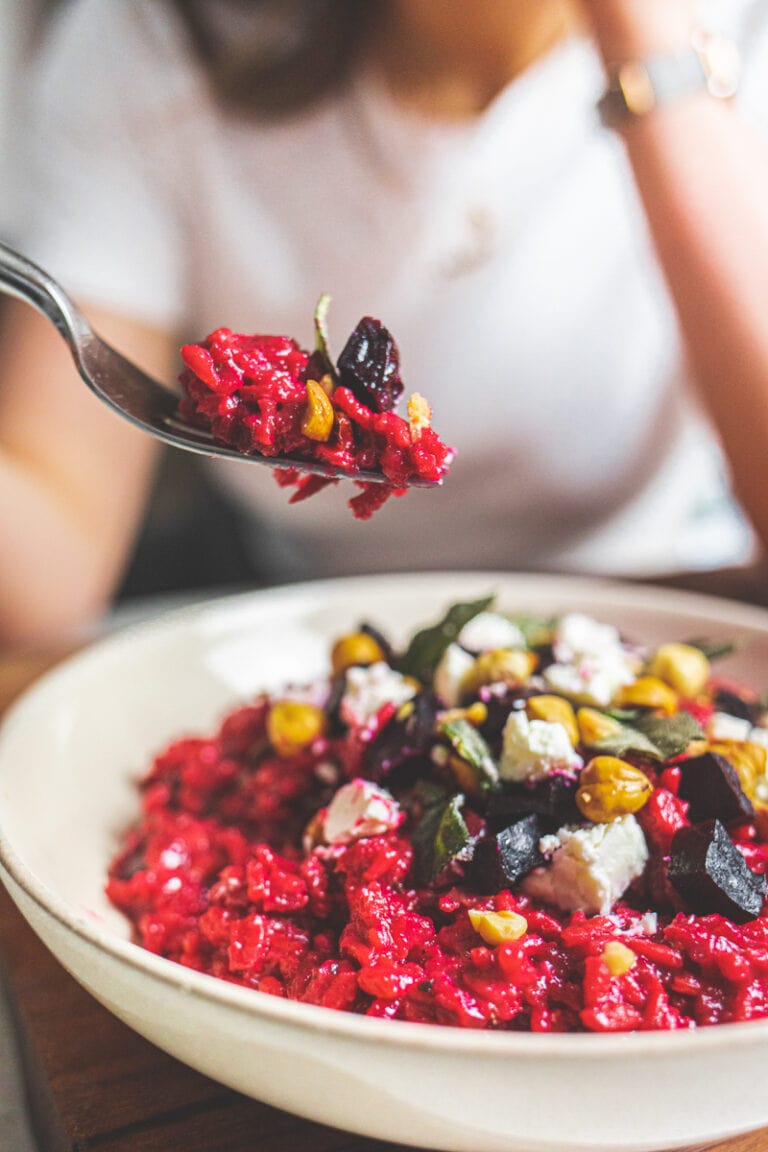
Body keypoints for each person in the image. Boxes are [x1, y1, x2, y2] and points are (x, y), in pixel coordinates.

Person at [2, 0, 768, 649]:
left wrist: (655, 57)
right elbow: (43, 574)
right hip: (306, 633)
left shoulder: (733, 31)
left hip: (669, 612)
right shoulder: (154, 37)